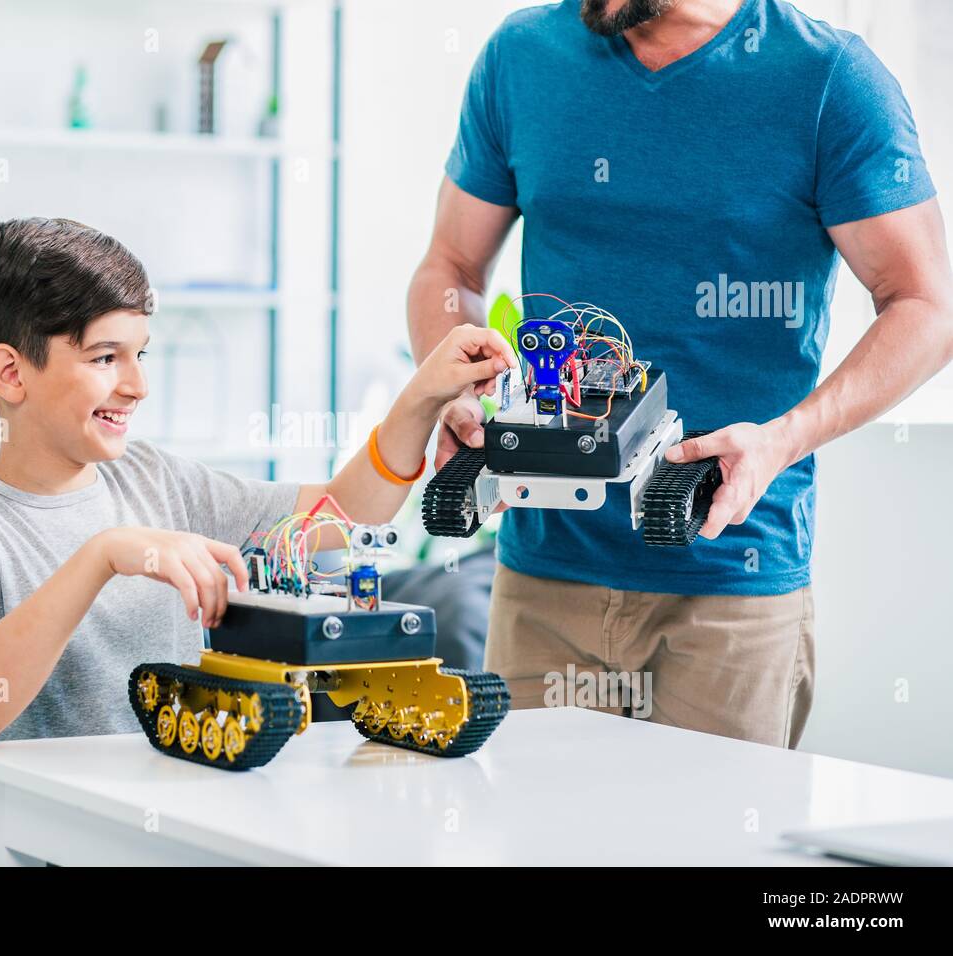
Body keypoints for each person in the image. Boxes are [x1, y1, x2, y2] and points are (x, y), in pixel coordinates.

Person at [407, 0, 953, 746]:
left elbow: (925, 306)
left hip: (730, 591)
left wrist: (782, 440)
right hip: (543, 581)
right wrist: (458, 389)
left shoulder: (829, 80)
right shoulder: (522, 56)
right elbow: (450, 264)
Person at [0, 217, 517, 746]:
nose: (136, 385)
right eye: (104, 358)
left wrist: (421, 397)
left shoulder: (155, 480)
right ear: (11, 373)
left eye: (139, 355)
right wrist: (102, 556)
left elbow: (344, 516)